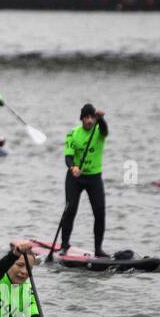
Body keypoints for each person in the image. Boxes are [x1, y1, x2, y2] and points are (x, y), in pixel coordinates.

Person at [60, 104, 109, 257]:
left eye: (91, 118)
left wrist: (101, 119)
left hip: (94, 177)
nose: (89, 121)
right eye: (86, 118)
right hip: (75, 178)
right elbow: (68, 157)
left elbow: (105, 129)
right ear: (81, 119)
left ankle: (98, 249)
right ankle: (64, 245)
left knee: (100, 211)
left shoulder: (99, 132)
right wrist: (72, 167)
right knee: (70, 210)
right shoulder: (73, 134)